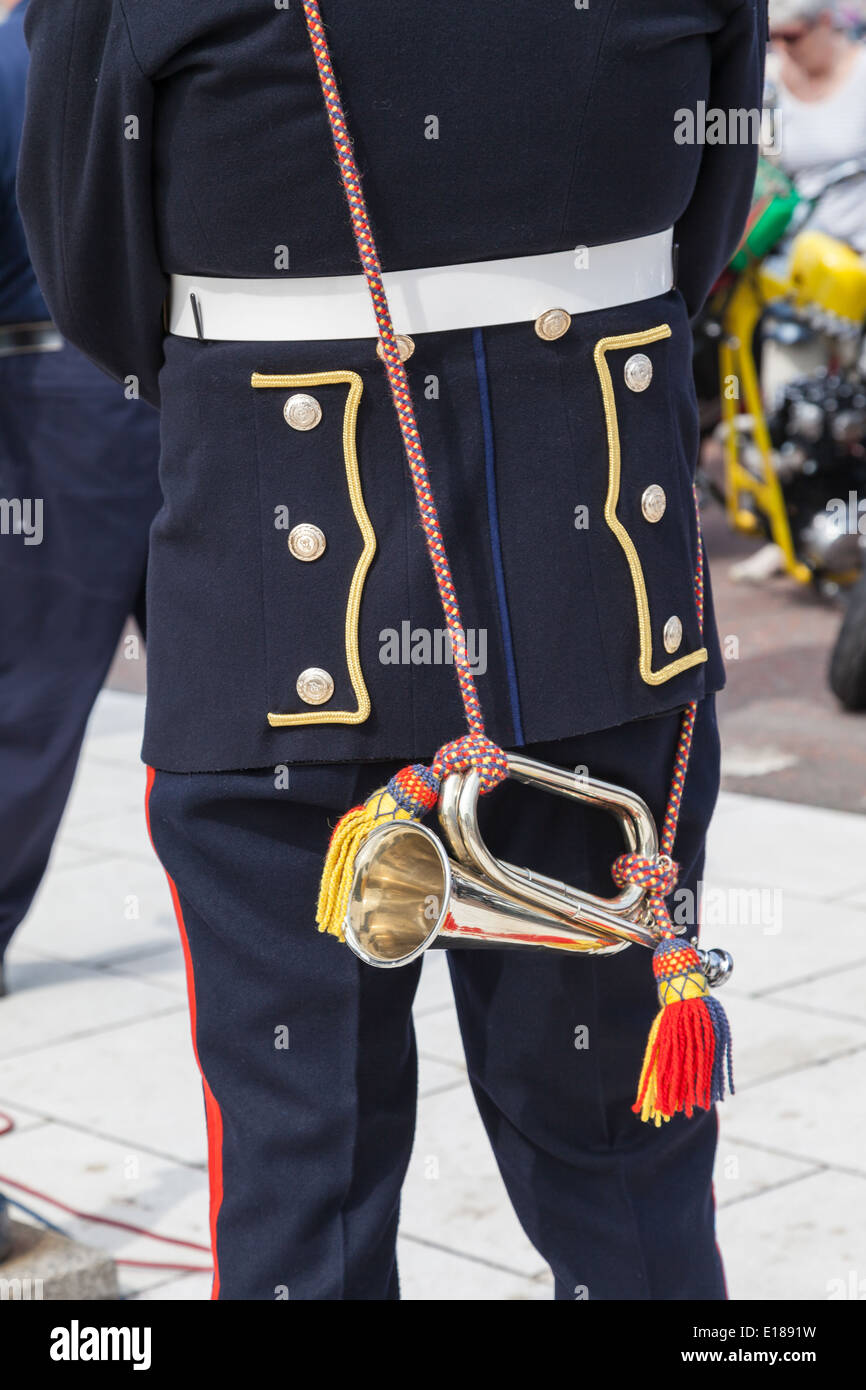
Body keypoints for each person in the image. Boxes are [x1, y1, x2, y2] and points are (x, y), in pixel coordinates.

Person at [19, 0, 766, 1301]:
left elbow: (99, 285)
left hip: (285, 600)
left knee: (307, 1170)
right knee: (619, 1161)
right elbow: (699, 230)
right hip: (593, 583)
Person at [0, 0, 162, 996]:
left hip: (60, 389)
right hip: (175, 380)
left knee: (31, 684)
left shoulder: (23, 55)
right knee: (241, 692)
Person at [768, 0, 866, 251]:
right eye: (773, 38)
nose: (782, 48)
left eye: (791, 37)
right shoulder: (770, 83)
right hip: (793, 253)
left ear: (824, 21)